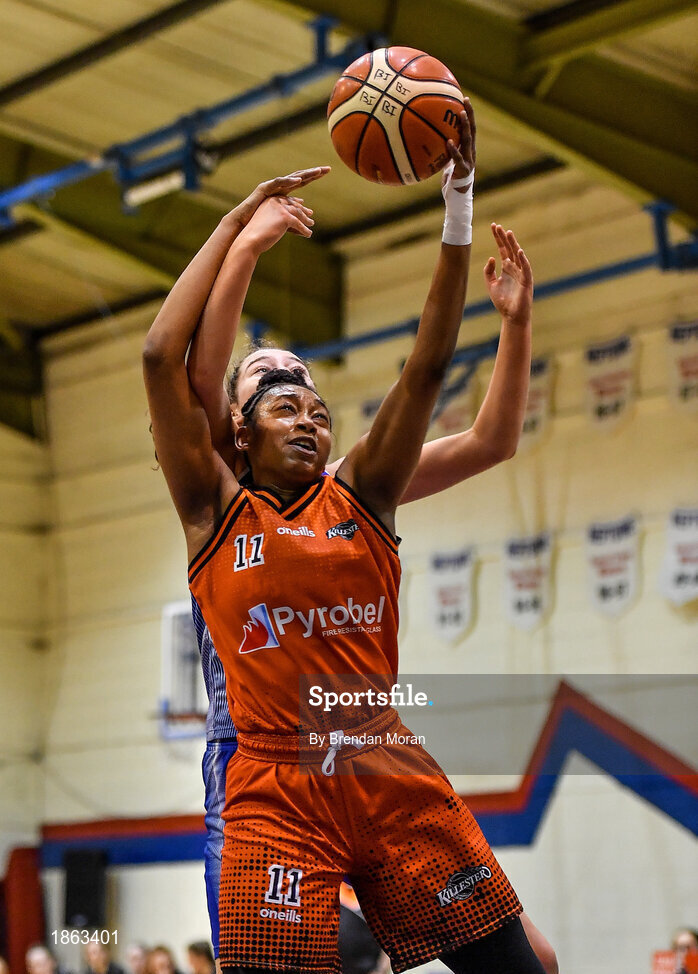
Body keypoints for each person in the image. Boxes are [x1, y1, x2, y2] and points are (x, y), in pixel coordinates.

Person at [144, 92, 552, 973]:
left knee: (533, 963)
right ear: (238, 426)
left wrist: (462, 209)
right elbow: (181, 364)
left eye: (315, 401)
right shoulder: (211, 495)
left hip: (374, 756)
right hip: (260, 761)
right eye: (279, 397)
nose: (305, 412)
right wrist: (243, 228)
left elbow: (442, 386)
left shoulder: (360, 487)